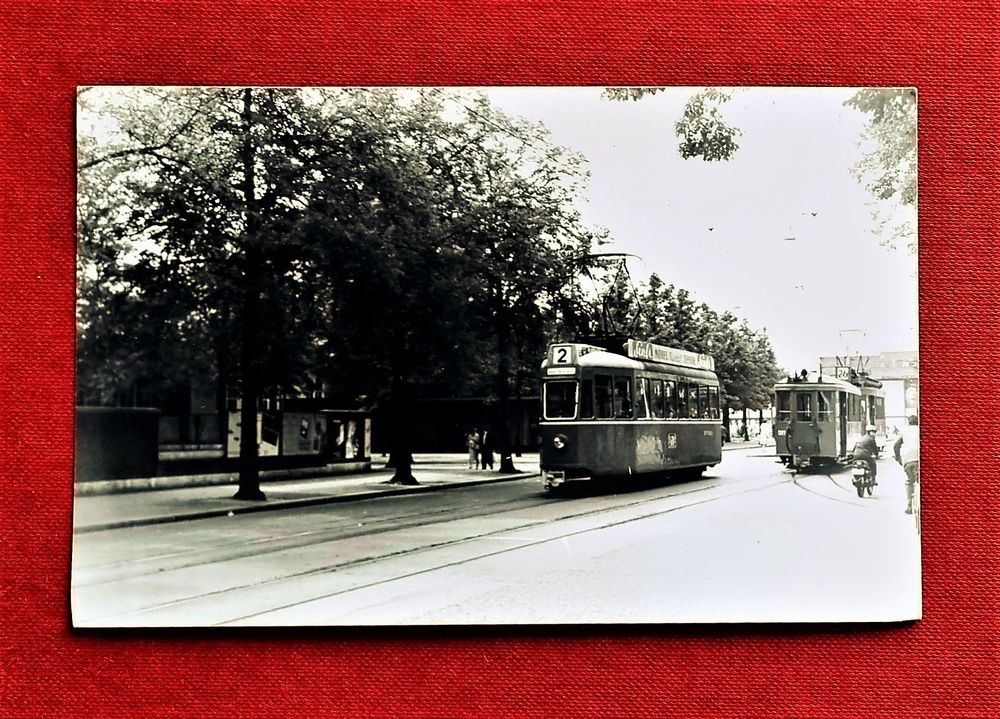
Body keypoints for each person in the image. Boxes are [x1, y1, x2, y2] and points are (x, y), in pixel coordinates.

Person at [893, 415, 920, 514]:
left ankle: (909, 505)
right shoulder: (921, 430)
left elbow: (896, 446)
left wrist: (898, 458)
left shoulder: (904, 432)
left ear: (909, 423)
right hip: (919, 460)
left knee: (910, 481)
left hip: (908, 461)